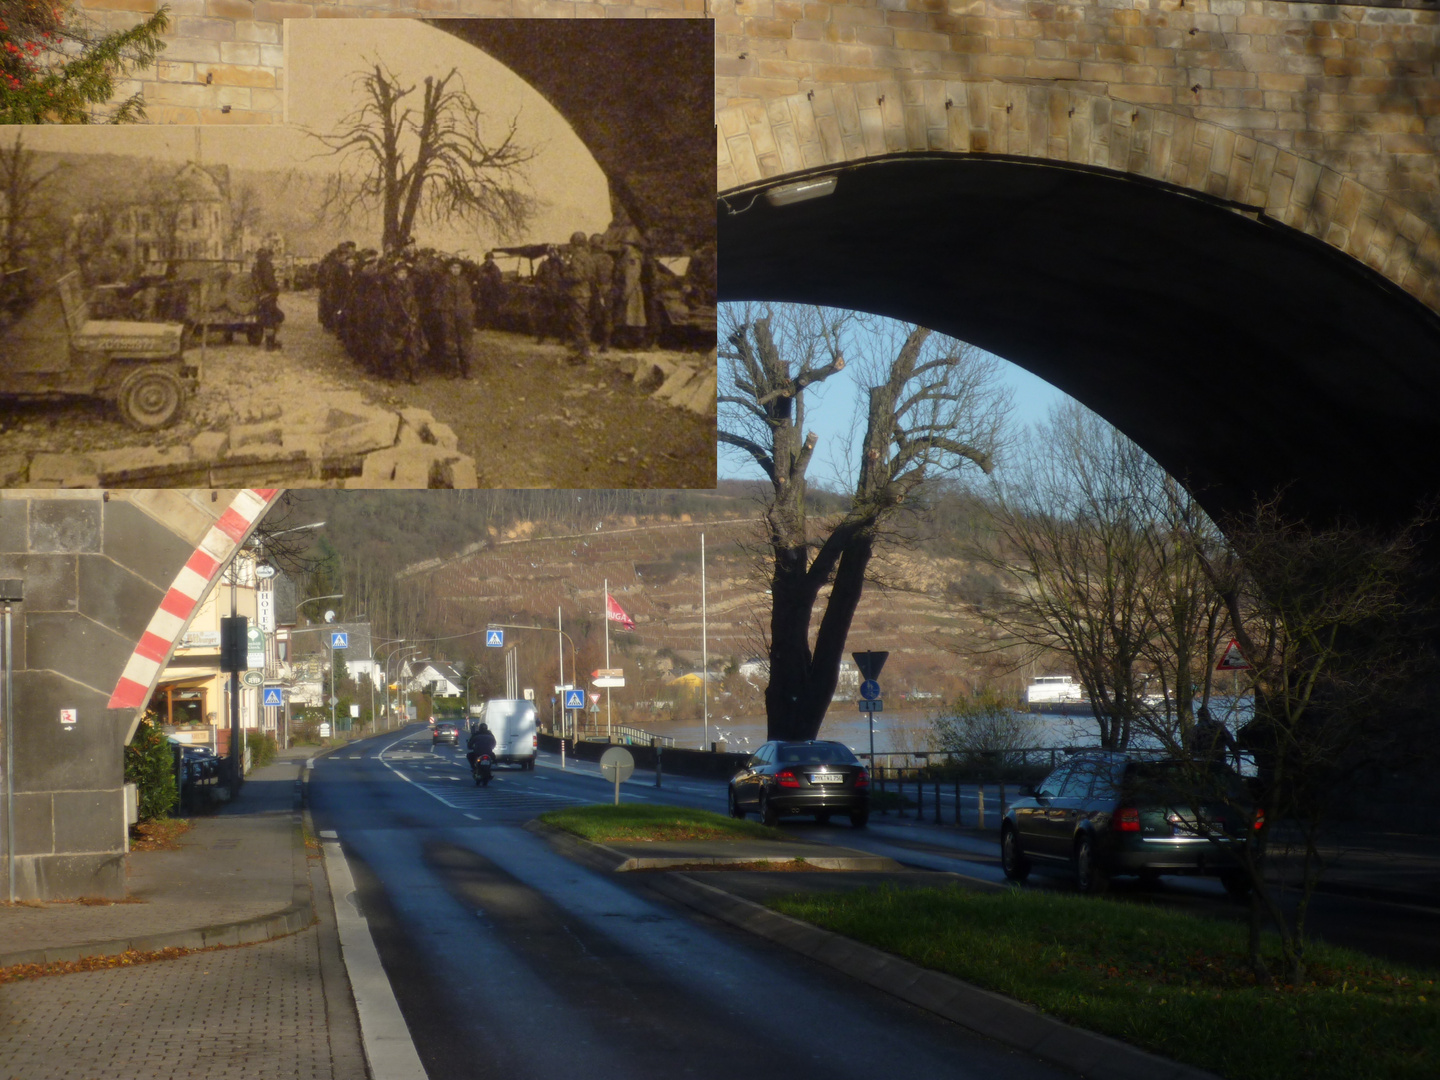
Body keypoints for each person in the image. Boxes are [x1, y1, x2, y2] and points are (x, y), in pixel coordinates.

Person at [436, 258, 476, 379]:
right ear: (449, 269)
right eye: (453, 267)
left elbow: (476, 270)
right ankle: (452, 369)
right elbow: (436, 298)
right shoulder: (443, 281)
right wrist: (444, 309)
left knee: (465, 343)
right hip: (449, 315)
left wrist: (466, 260)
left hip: (464, 316)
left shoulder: (466, 280)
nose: (456, 270)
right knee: (450, 343)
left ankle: (466, 369)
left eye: (458, 267)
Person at [561, 230, 595, 364]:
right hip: (585, 293)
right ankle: (584, 349)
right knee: (583, 322)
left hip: (577, 294)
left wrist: (565, 274)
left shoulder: (577, 257)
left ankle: (583, 354)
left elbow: (577, 276)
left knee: (578, 323)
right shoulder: (588, 256)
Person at [252, 247, 283, 351]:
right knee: (274, 318)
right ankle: (270, 344)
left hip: (261, 297)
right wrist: (275, 288)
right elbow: (268, 281)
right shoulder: (266, 265)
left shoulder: (255, 266)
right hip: (269, 296)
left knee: (270, 319)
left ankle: (270, 342)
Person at [588, 233, 614, 354]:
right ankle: (606, 344)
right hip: (607, 290)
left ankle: (584, 344)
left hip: (594, 290)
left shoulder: (590, 258)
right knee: (607, 317)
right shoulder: (609, 258)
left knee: (589, 317)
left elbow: (590, 277)